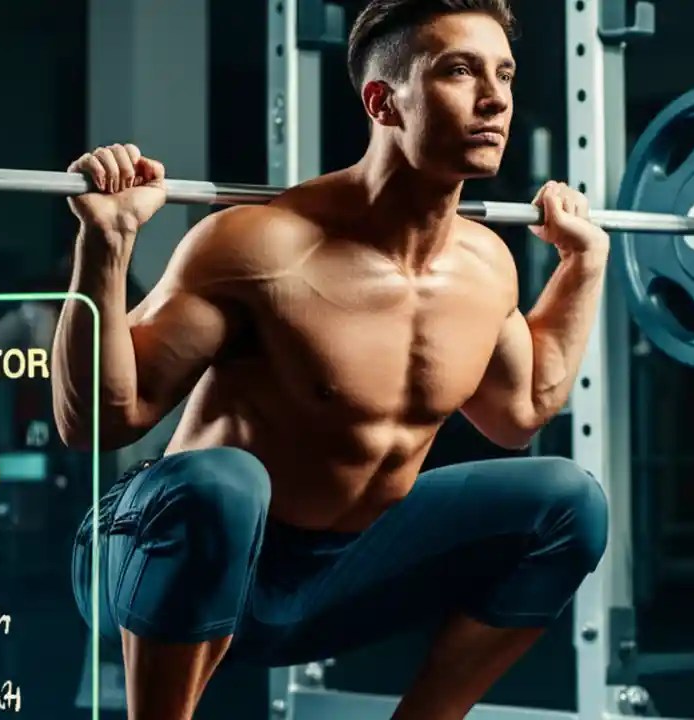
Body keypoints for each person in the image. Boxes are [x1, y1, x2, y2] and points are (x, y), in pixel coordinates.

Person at [52, 1, 610, 718]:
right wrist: (103, 248)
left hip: (326, 580)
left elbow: (519, 413)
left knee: (568, 503)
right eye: (460, 71)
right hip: (153, 556)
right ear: (384, 101)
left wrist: (584, 264)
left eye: (503, 73)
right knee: (222, 483)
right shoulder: (262, 247)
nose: (496, 97)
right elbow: (98, 422)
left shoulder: (486, 267)